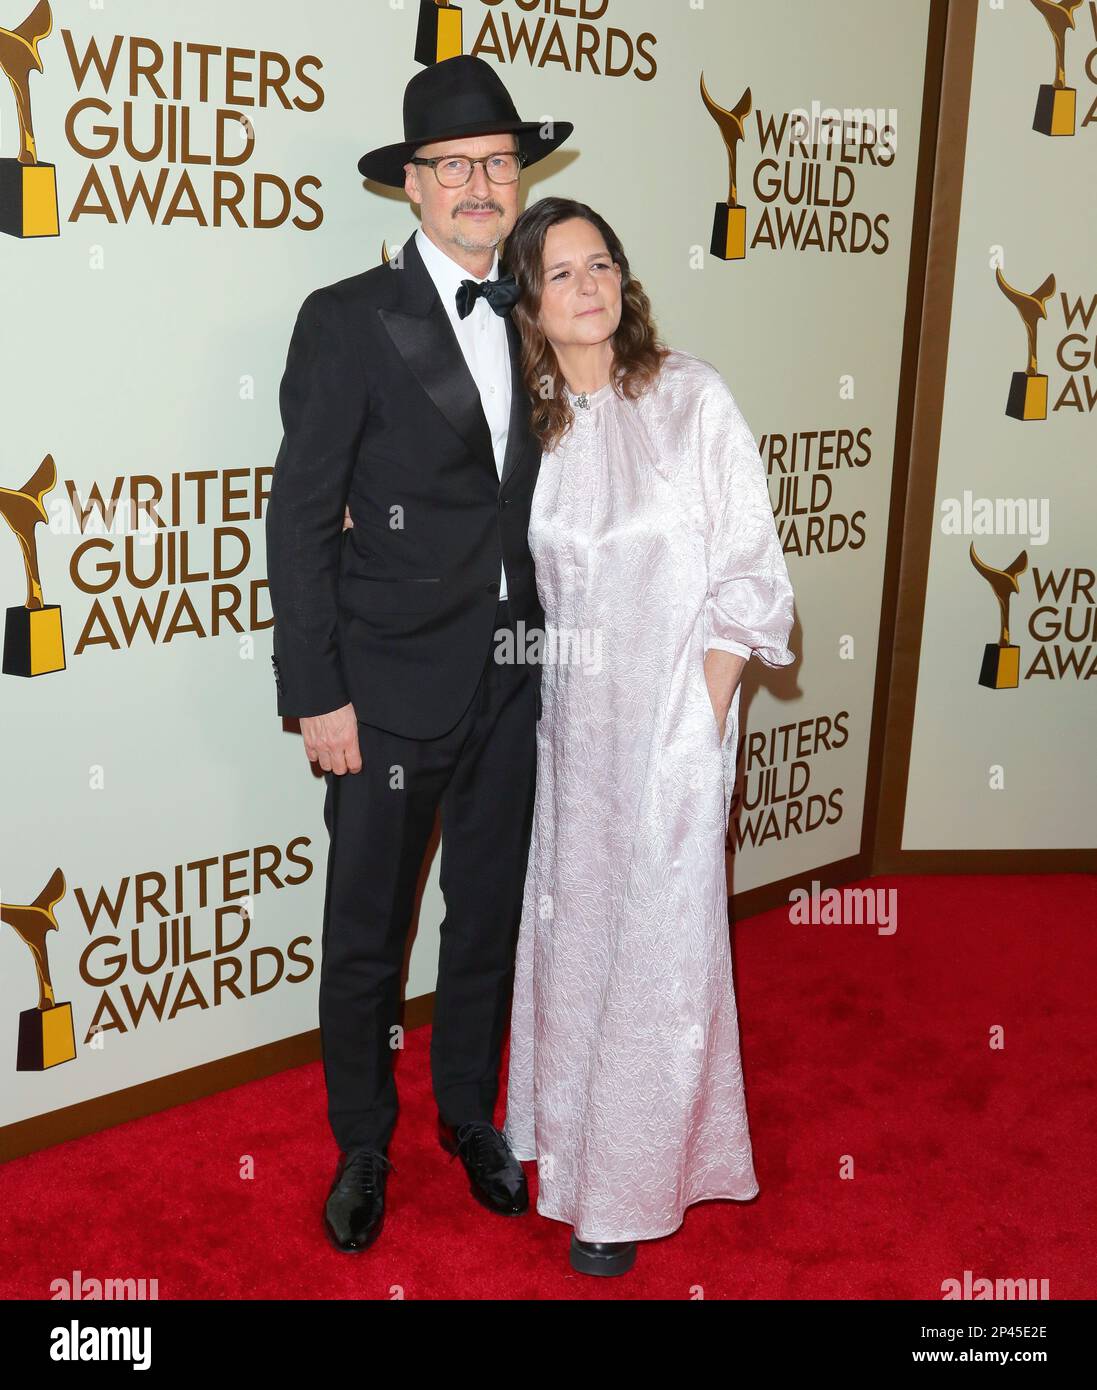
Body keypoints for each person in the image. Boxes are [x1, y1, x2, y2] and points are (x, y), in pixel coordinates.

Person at [264, 57, 573, 1254]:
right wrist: (316, 692)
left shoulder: (545, 308)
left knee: (486, 911)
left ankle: (466, 1117)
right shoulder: (345, 319)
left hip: (514, 673)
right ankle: (360, 1142)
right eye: (452, 166)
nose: (478, 184)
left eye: (497, 162)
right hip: (384, 689)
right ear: (411, 188)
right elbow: (300, 518)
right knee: (366, 930)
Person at [500, 197, 797, 1277]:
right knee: (578, 947)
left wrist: (701, 718)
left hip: (674, 726)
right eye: (561, 272)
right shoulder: (525, 425)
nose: (590, 285)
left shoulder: (688, 398)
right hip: (572, 740)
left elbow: (753, 581)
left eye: (603, 264)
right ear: (527, 302)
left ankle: (621, 1197)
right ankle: (564, 1147)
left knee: (659, 956)